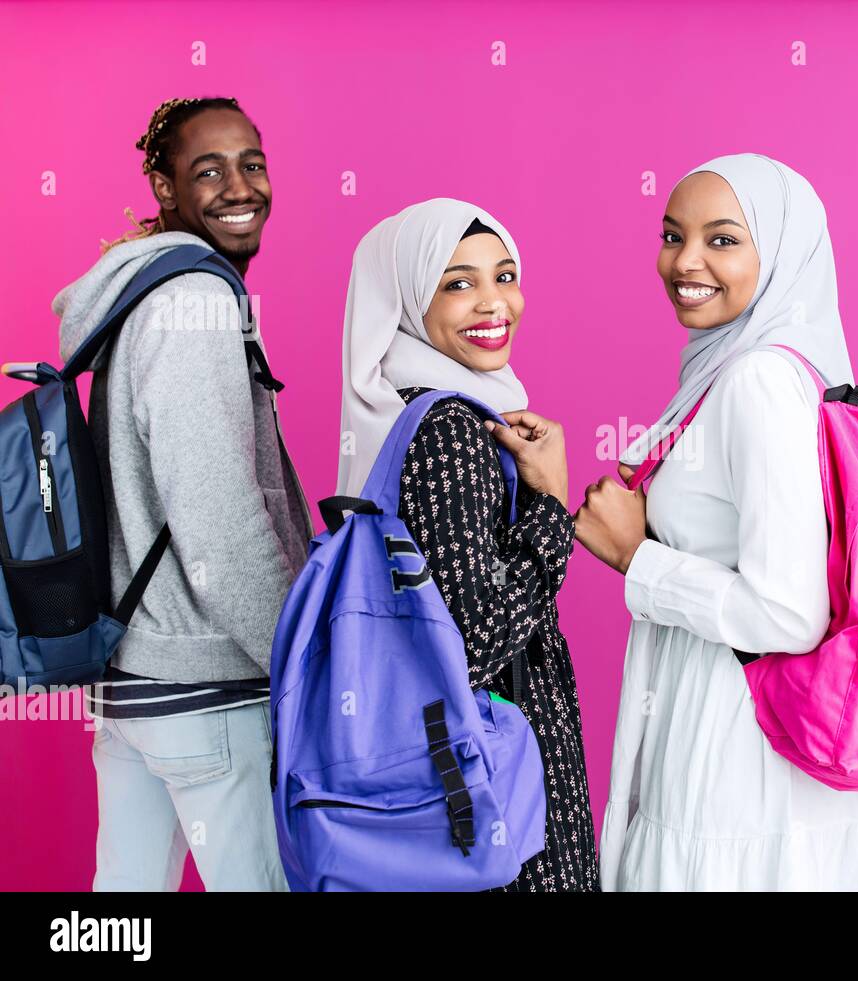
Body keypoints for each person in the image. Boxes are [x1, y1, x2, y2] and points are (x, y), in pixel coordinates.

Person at [578, 153, 858, 891]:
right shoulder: (740, 369)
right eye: (672, 234)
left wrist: (639, 560)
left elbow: (788, 612)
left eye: (723, 239)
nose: (685, 260)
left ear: (782, 253)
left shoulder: (759, 379)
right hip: (749, 728)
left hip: (739, 738)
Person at [55, 97, 312, 890]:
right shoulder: (193, 301)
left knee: (118, 918)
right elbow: (217, 521)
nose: (240, 186)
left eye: (252, 162)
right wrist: (301, 652)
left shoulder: (139, 296)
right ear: (167, 190)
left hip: (134, 684)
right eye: (209, 170)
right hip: (207, 693)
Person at [337, 198, 598, 892]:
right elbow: (476, 641)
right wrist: (549, 505)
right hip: (493, 775)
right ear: (407, 299)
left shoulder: (401, 415)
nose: (493, 303)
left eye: (504, 275)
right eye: (458, 283)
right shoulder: (451, 429)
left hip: (450, 770)